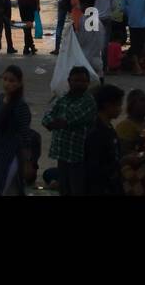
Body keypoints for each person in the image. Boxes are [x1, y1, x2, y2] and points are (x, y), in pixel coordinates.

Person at [43, 65, 97, 195]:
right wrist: (56, 121)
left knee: (76, 188)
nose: (79, 84)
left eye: (83, 81)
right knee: (65, 188)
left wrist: (55, 122)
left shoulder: (89, 101)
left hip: (79, 154)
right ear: (69, 81)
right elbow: (47, 117)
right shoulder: (63, 98)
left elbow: (69, 118)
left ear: (88, 83)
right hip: (63, 152)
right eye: (76, 81)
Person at [0, 65, 32, 195]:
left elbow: (25, 134)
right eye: (5, 79)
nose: (7, 83)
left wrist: (27, 162)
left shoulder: (21, 106)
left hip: (12, 153)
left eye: (12, 81)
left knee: (1, 187)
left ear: (19, 83)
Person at [84, 83, 125, 195]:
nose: (121, 109)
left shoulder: (108, 127)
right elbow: (95, 167)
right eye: (119, 105)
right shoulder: (97, 132)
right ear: (107, 105)